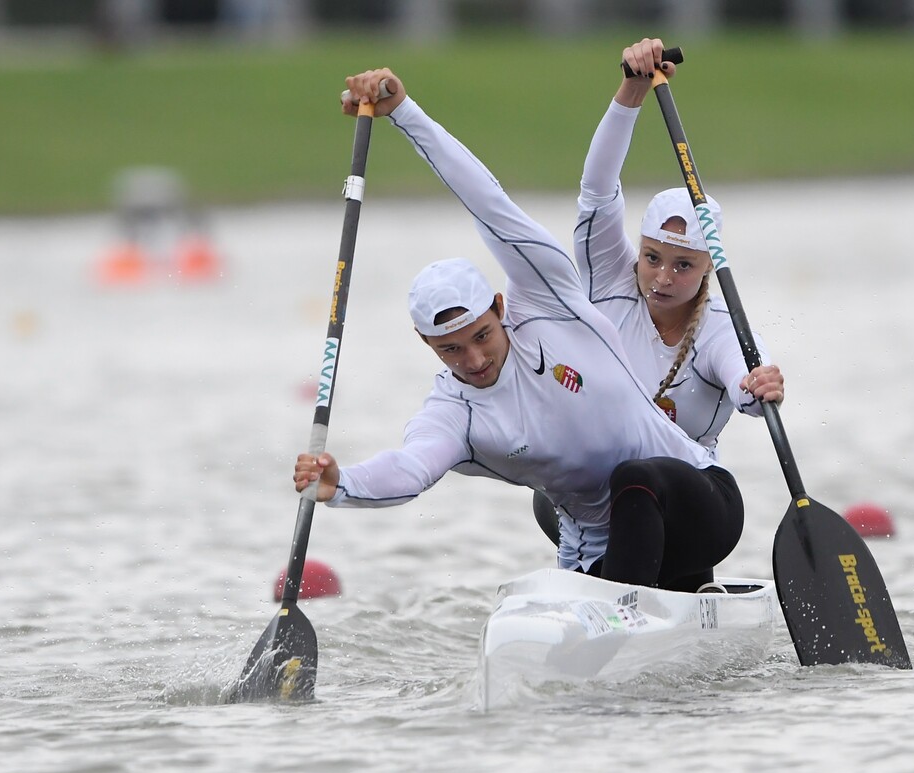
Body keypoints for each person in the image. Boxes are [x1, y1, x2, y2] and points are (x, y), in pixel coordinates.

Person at [294, 67, 745, 592]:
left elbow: (486, 202)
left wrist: (404, 114)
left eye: (482, 336)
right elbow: (411, 468)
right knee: (591, 531)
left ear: (500, 308)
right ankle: (663, 600)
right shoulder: (454, 413)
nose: (474, 360)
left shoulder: (546, 301)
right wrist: (341, 483)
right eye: (450, 350)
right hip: (606, 546)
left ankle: (626, 608)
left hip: (700, 505)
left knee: (635, 477)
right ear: (427, 344)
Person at [532, 38, 786, 546]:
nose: (662, 278)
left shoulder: (718, 328)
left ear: (709, 267)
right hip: (609, 498)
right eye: (652, 258)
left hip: (697, 508)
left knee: (637, 477)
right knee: (557, 484)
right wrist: (632, 89)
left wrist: (757, 387)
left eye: (683, 265)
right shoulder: (609, 279)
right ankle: (633, 579)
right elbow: (597, 188)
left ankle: (638, 582)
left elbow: (743, 381)